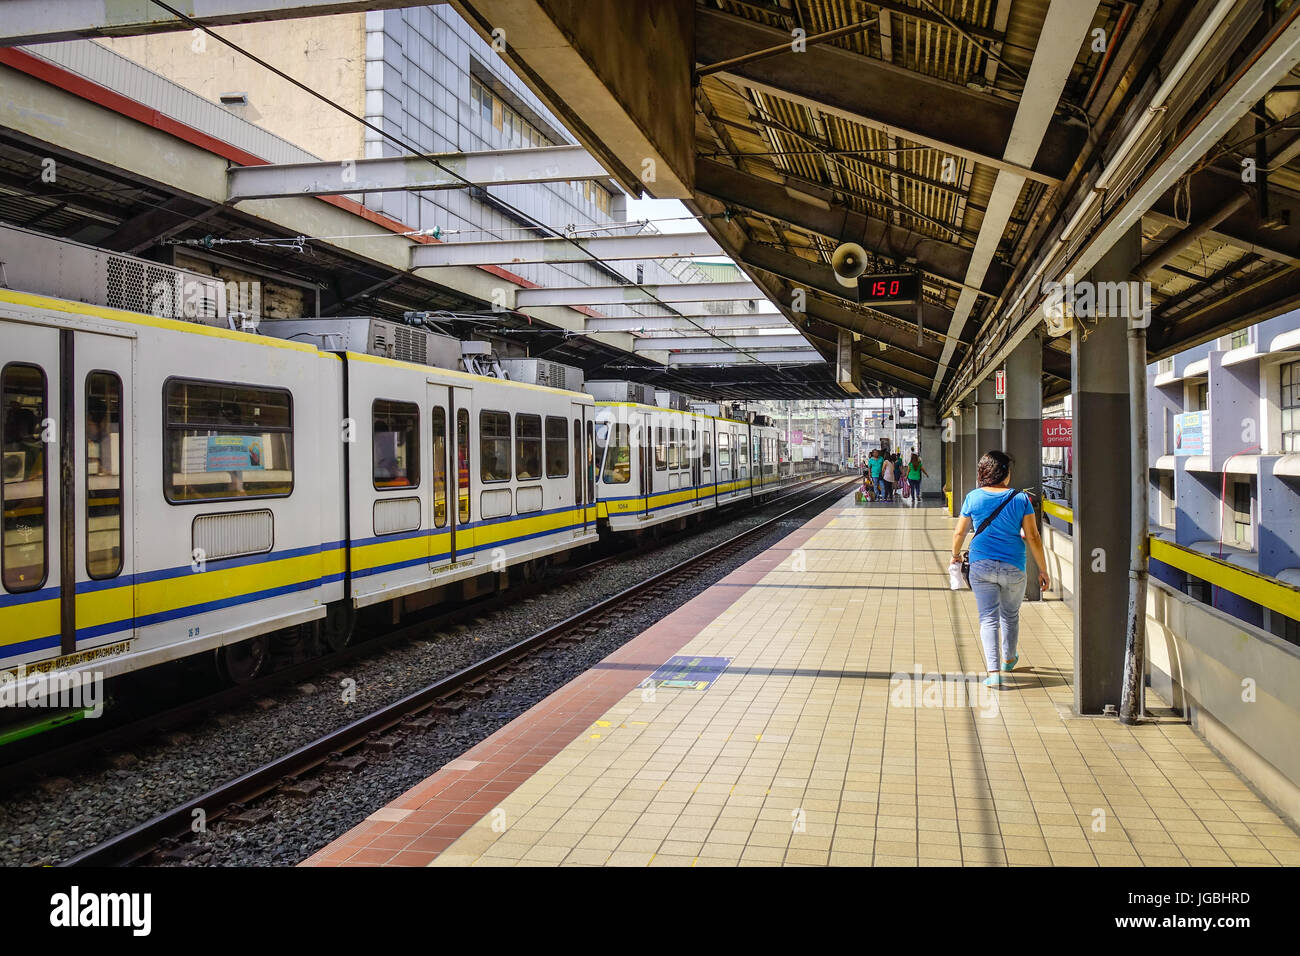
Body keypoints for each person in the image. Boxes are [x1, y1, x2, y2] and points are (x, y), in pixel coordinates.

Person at [951, 450, 1050, 687]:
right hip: (1013, 565)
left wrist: (955, 555)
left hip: (981, 564)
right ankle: (1008, 659)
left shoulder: (973, 497)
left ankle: (993, 672)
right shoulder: (1020, 499)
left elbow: (959, 532)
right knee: (1010, 615)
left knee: (987, 618)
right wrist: (1043, 569)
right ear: (1005, 473)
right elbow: (1033, 536)